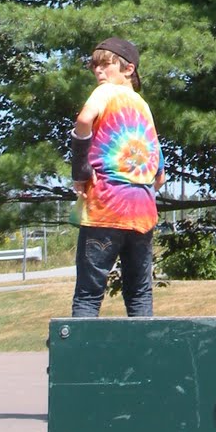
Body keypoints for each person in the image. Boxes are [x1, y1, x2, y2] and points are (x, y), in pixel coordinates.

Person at [70, 37, 165, 319]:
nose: (98, 72)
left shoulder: (105, 93)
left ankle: (81, 357)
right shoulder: (143, 107)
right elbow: (159, 175)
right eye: (94, 66)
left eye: (105, 65)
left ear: (128, 69)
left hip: (106, 207)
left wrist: (81, 170)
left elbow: (84, 120)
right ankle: (145, 356)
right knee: (139, 291)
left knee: (89, 293)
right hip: (142, 212)